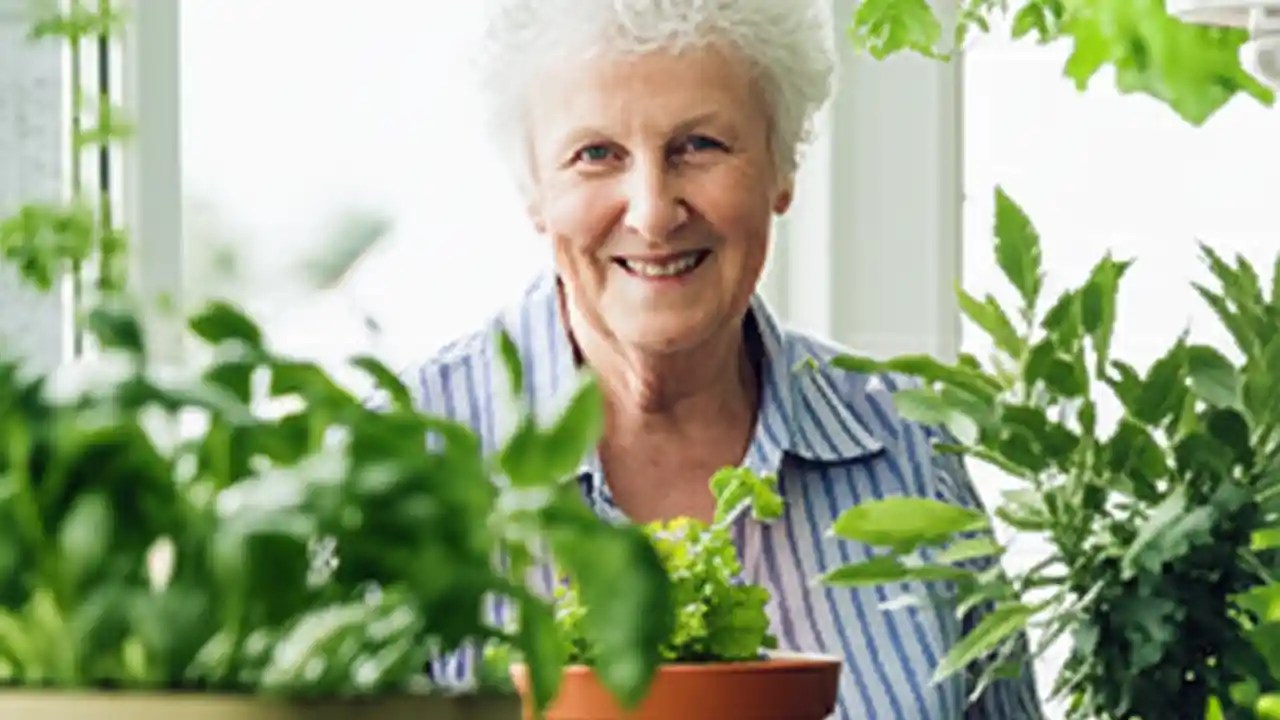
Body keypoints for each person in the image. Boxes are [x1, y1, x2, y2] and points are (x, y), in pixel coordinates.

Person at [397, 0, 1043, 717]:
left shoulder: (910, 451)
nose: (651, 212)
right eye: (596, 154)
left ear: (781, 166)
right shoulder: (400, 462)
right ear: (535, 193)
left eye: (698, 145)